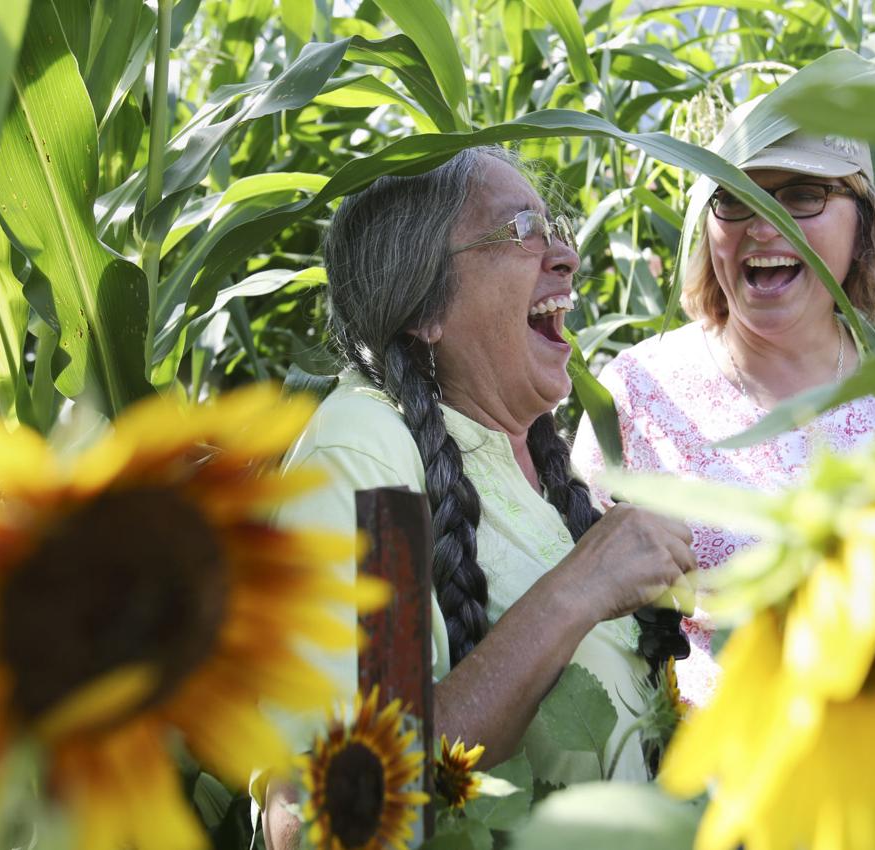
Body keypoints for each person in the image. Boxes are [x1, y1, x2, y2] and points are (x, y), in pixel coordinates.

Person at [261, 146, 698, 846]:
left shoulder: (532, 461)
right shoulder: (370, 453)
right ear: (425, 305)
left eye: (555, 228)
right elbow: (336, 817)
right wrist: (580, 586)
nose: (567, 257)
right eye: (521, 229)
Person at [571, 99, 875, 707]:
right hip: (704, 752)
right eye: (734, 197)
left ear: (865, 223)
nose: (762, 225)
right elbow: (585, 614)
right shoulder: (639, 393)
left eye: (803, 194)